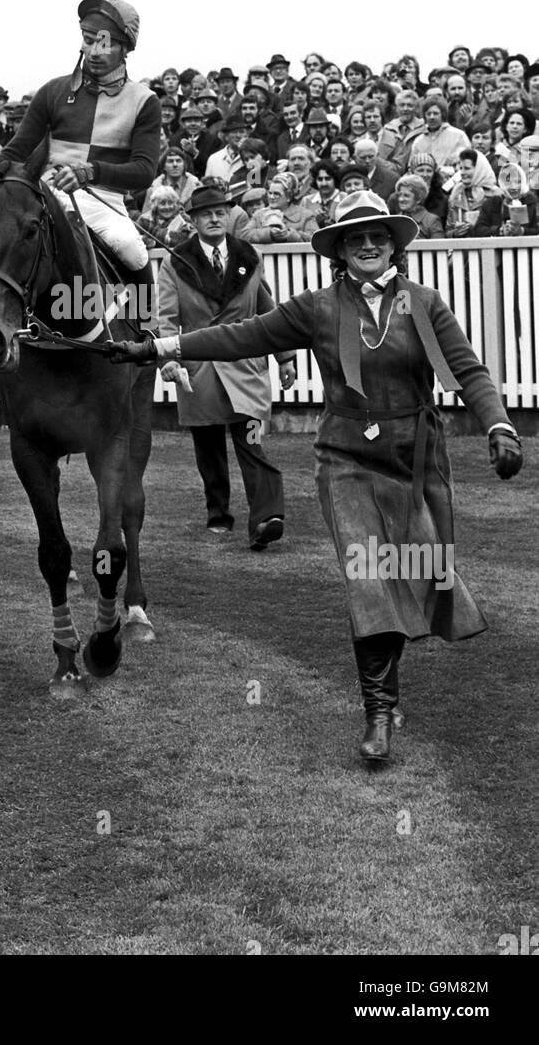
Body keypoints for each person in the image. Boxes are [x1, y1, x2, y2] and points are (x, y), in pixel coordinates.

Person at [109, 190, 523, 762]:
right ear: (342, 251)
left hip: (416, 461)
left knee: (416, 572)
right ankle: (378, 712)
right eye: (357, 238)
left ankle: (386, 691)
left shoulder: (424, 303)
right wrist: (161, 346)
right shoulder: (317, 307)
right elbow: (242, 336)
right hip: (346, 461)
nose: (369, 245)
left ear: (394, 245)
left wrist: (501, 426)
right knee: (369, 576)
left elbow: (468, 370)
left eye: (378, 236)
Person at [0, 0, 162, 419]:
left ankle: (147, 331)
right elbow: (16, 151)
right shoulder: (53, 92)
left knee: (134, 252)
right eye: (88, 40)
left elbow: (144, 170)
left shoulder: (144, 101)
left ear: (124, 47)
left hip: (102, 200)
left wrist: (88, 173)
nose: (95, 51)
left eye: (106, 42)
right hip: (44, 193)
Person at [157, 186, 296, 547]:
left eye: (221, 211)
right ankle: (218, 513)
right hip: (199, 367)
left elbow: (266, 305)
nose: (215, 218)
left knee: (251, 441)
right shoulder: (176, 261)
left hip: (244, 364)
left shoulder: (247, 254)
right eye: (206, 213)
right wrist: (170, 361)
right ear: (192, 219)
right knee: (209, 448)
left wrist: (285, 357)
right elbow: (168, 318)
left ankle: (267, 517)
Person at [474, 162, 538, 236]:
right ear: (501, 184)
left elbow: (536, 228)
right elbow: (478, 229)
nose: (514, 187)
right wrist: (500, 230)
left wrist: (522, 231)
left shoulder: (532, 202)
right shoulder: (491, 204)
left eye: (518, 182)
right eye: (508, 182)